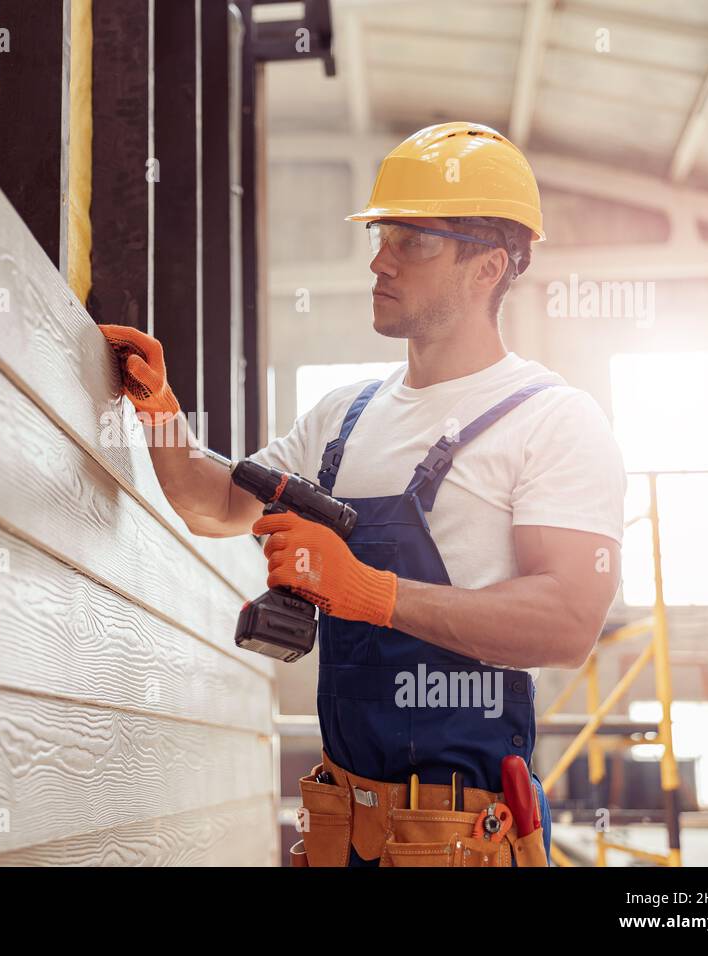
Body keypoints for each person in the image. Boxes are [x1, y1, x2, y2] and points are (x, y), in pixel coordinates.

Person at [99, 121, 625, 866]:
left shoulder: (553, 418)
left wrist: (368, 592)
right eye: (382, 235)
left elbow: (569, 621)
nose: (379, 260)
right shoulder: (342, 418)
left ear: (488, 268)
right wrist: (158, 413)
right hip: (342, 831)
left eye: (414, 241)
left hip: (459, 842)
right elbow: (215, 505)